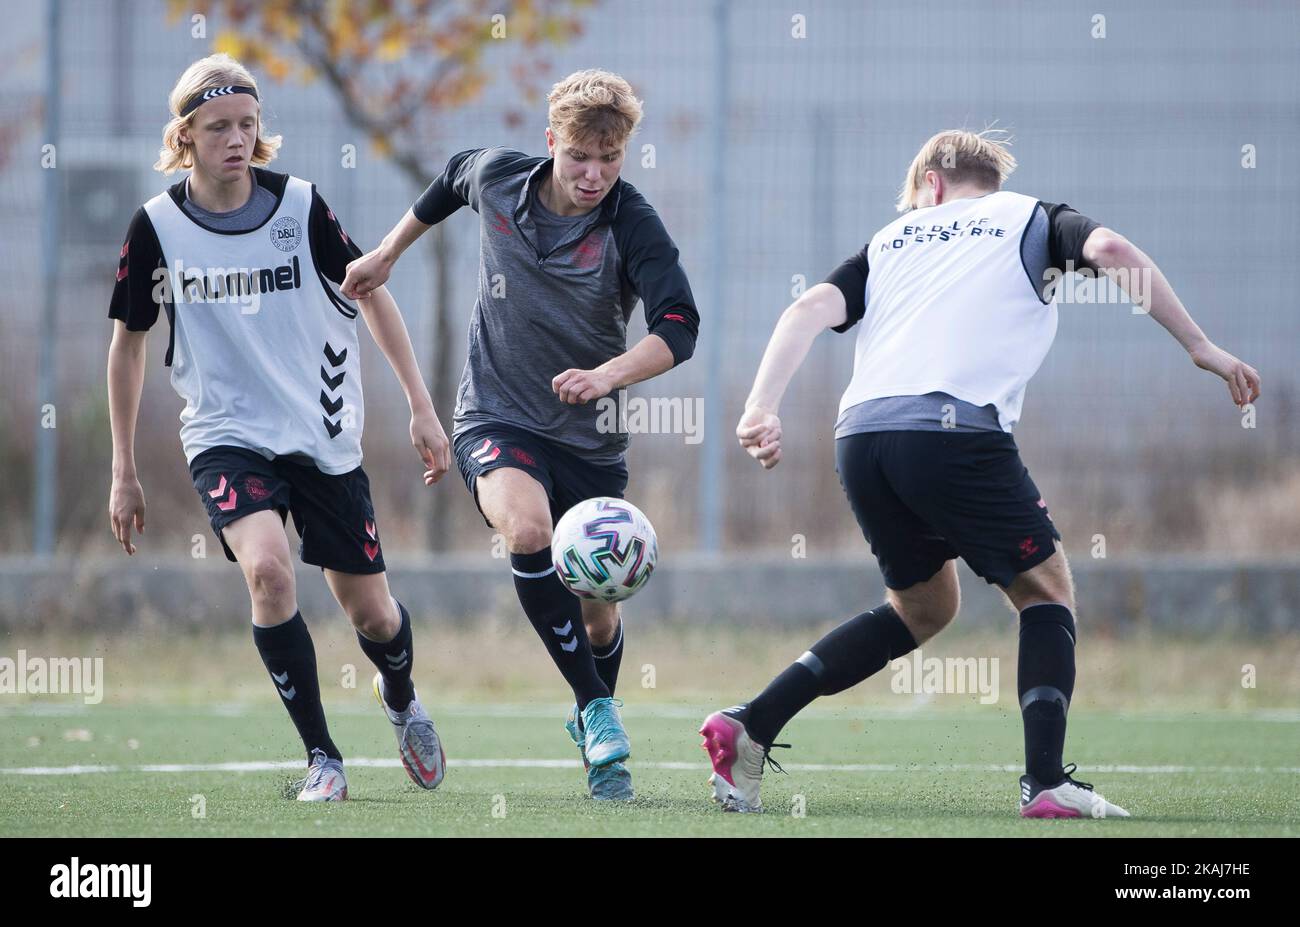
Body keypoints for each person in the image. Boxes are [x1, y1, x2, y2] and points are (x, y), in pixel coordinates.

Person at [701, 128, 1260, 816]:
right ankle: (1047, 781)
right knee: (1047, 589)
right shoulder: (1033, 216)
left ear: (930, 184)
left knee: (926, 607)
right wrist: (1200, 345)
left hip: (863, 437)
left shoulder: (888, 242)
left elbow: (806, 308)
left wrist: (762, 406)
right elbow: (1113, 250)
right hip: (952, 431)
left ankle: (750, 724)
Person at [342, 69, 700, 801]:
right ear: (551, 145)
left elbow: (679, 327)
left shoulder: (632, 224)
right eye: (579, 158)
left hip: (590, 438)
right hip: (496, 415)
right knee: (529, 530)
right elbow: (449, 178)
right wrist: (388, 252)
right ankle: (599, 711)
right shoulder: (501, 177)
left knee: (600, 615)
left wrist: (608, 374)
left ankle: (590, 706)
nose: (594, 174)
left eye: (610, 159)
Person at [106, 54, 453, 802]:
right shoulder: (156, 227)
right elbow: (128, 346)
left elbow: (372, 294)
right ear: (186, 135)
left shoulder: (300, 207)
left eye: (247, 124)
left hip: (321, 435)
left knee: (376, 614)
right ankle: (323, 756)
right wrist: (123, 469)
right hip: (225, 435)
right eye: (217, 127)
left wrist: (422, 407)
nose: (235, 138)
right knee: (267, 570)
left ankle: (401, 700)